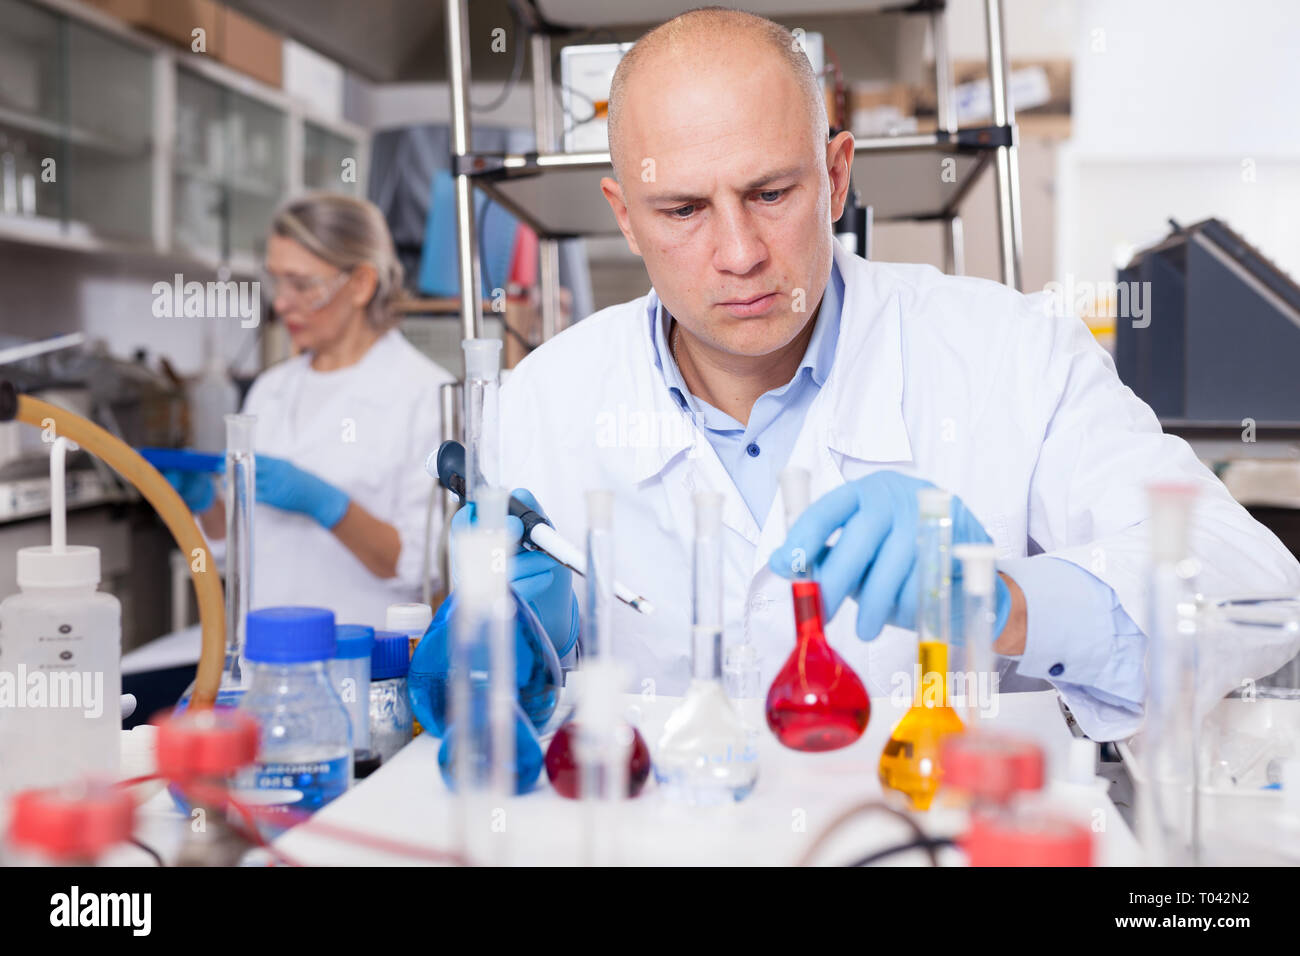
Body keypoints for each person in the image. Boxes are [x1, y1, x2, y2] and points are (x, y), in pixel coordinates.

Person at [477, 9, 1299, 741]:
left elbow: (1256, 592)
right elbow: (502, 711)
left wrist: (1005, 600)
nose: (738, 254)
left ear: (835, 175)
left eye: (770, 192)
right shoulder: (543, 402)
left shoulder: (1013, 353)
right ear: (625, 216)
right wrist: (492, 650)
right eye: (683, 210)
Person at [168, 194, 454, 625]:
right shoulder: (270, 389)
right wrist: (207, 504)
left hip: (365, 660)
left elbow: (422, 564)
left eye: (302, 285)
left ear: (361, 283)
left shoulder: (425, 394)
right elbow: (235, 551)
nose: (281, 303)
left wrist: (329, 506)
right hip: (262, 659)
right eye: (276, 282)